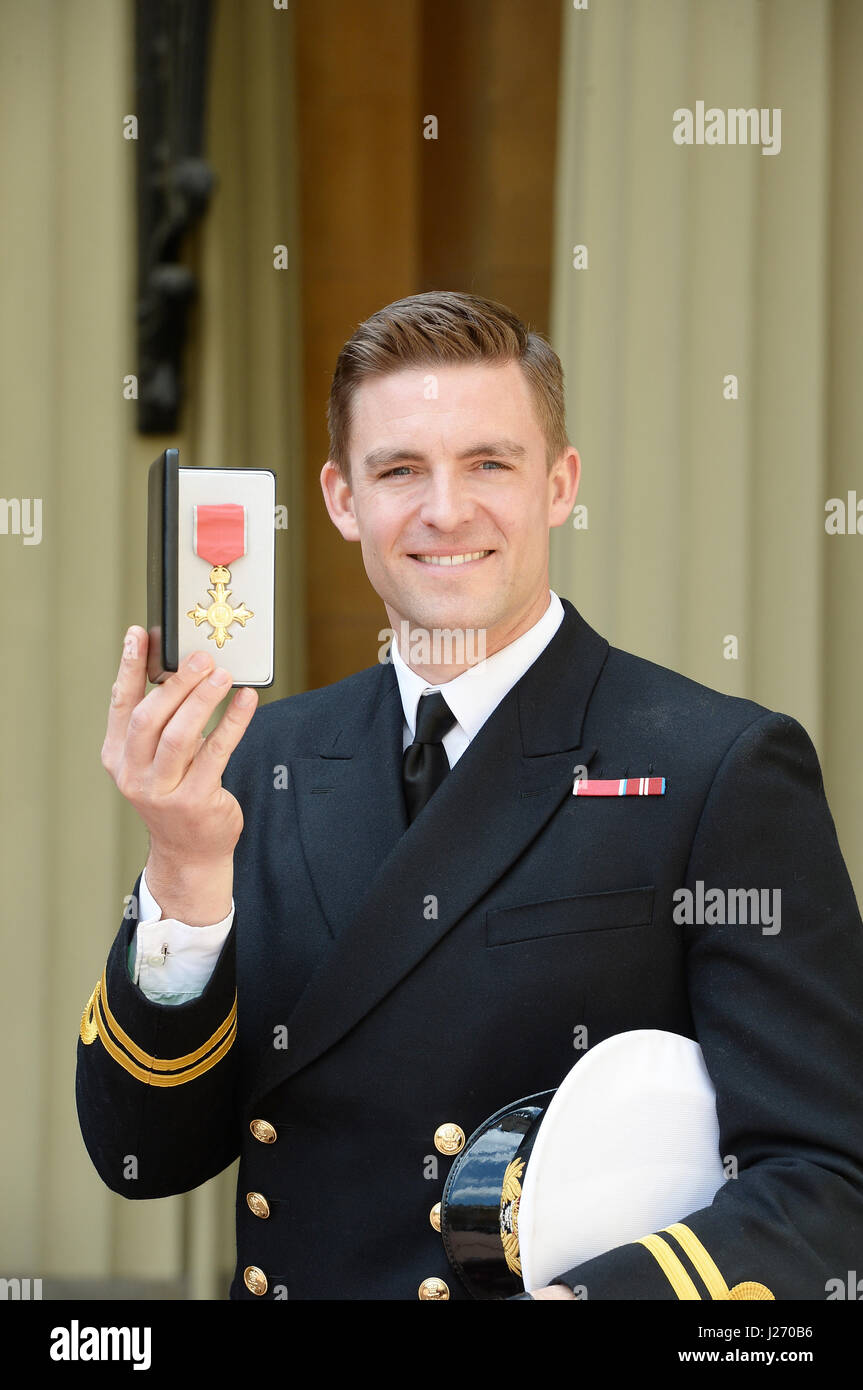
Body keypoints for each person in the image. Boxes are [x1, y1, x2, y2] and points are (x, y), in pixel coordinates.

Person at [77, 290, 863, 1301]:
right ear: (340, 498)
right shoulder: (260, 756)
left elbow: (824, 1181)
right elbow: (144, 1156)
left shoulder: (719, 766)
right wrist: (182, 872)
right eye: (398, 469)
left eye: (488, 462)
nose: (444, 509)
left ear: (559, 483)